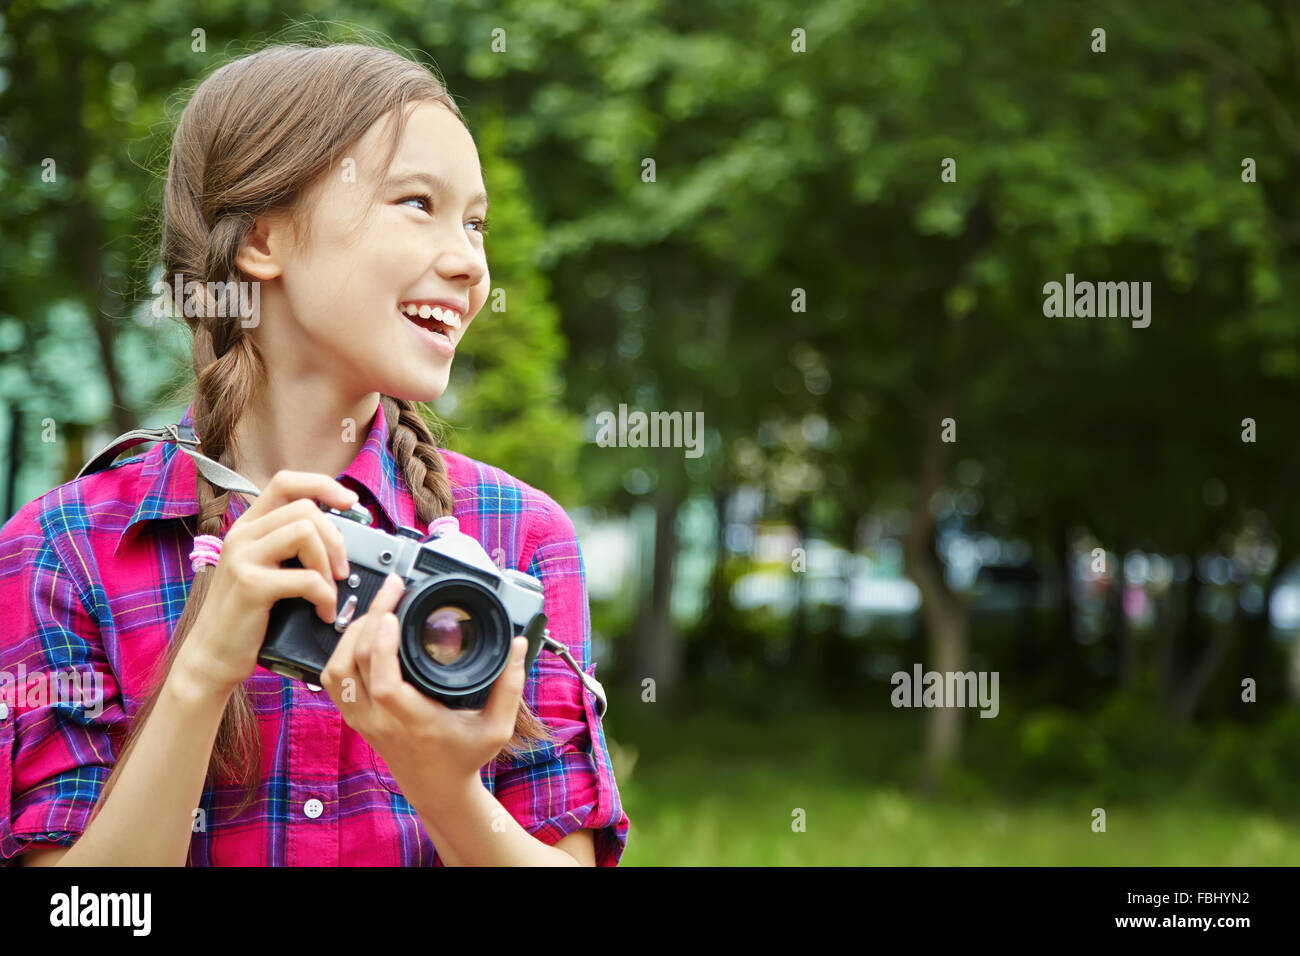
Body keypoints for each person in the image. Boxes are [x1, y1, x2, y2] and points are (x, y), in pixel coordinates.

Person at [0, 42, 628, 866]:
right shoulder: (63, 551)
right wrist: (200, 675)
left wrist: (442, 785)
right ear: (263, 238)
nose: (470, 263)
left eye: (475, 224)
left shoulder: (521, 535)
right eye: (417, 204)